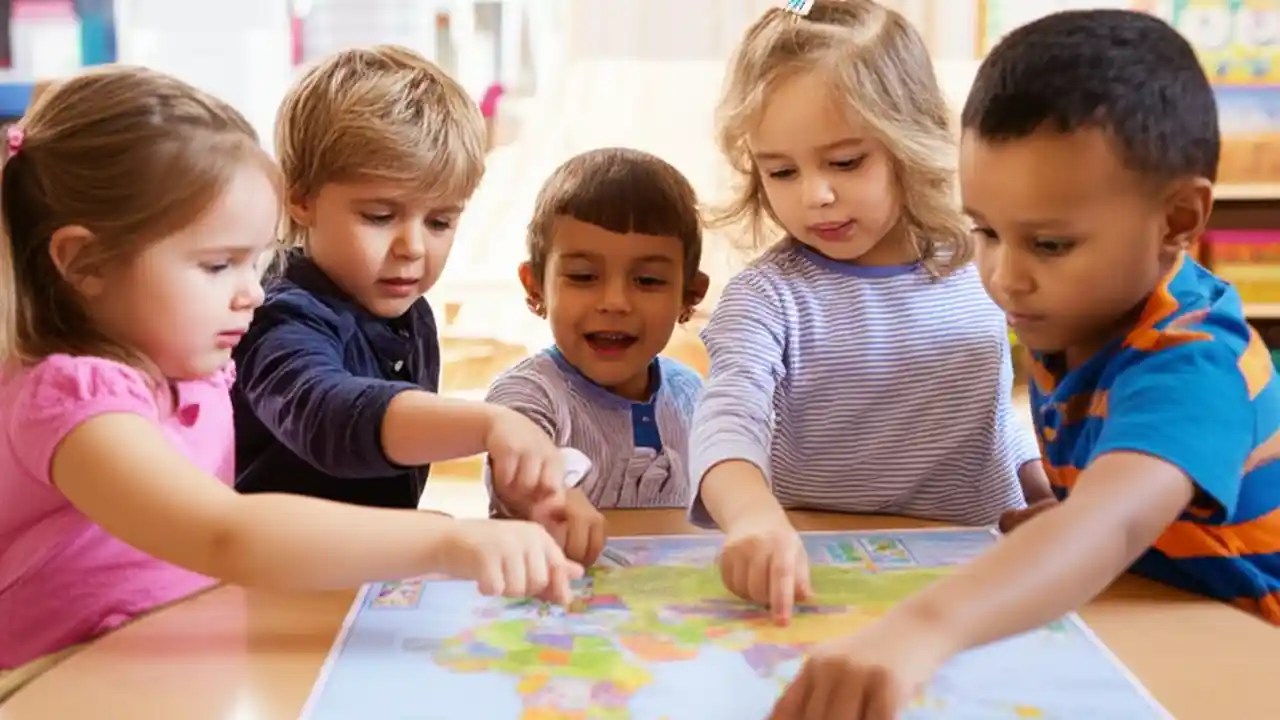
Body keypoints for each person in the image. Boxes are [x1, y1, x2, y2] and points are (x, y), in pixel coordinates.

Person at [0, 66, 579, 694]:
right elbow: (225, 534)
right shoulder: (75, 403)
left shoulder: (193, 376)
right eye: (219, 265)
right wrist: (445, 540)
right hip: (55, 681)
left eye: (258, 260)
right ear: (84, 262)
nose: (252, 291)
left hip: (172, 651)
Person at [770, 10, 1280, 720]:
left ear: (1176, 221)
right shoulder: (1072, 309)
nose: (1005, 277)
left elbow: (1113, 526)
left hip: (1240, 662)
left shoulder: (1195, 362)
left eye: (1048, 244)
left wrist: (924, 626)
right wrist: (1064, 508)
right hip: (1136, 620)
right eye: (985, 230)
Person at [689, 0, 1046, 624]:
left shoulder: (983, 262)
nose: (815, 195)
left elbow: (984, 406)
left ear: (910, 140)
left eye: (846, 162)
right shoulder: (767, 296)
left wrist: (1037, 475)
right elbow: (727, 416)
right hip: (818, 566)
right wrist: (751, 516)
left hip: (980, 565)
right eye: (781, 171)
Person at [232, 45, 565, 513]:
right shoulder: (280, 318)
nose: (413, 247)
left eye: (440, 222)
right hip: (278, 577)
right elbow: (327, 414)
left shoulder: (411, 314)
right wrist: (488, 425)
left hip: (364, 570)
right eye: (380, 216)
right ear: (301, 198)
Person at [485, 147, 709, 565]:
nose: (615, 302)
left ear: (689, 295)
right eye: (584, 277)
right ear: (535, 287)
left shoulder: (693, 393)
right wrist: (554, 496)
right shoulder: (528, 392)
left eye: (648, 280)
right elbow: (517, 461)